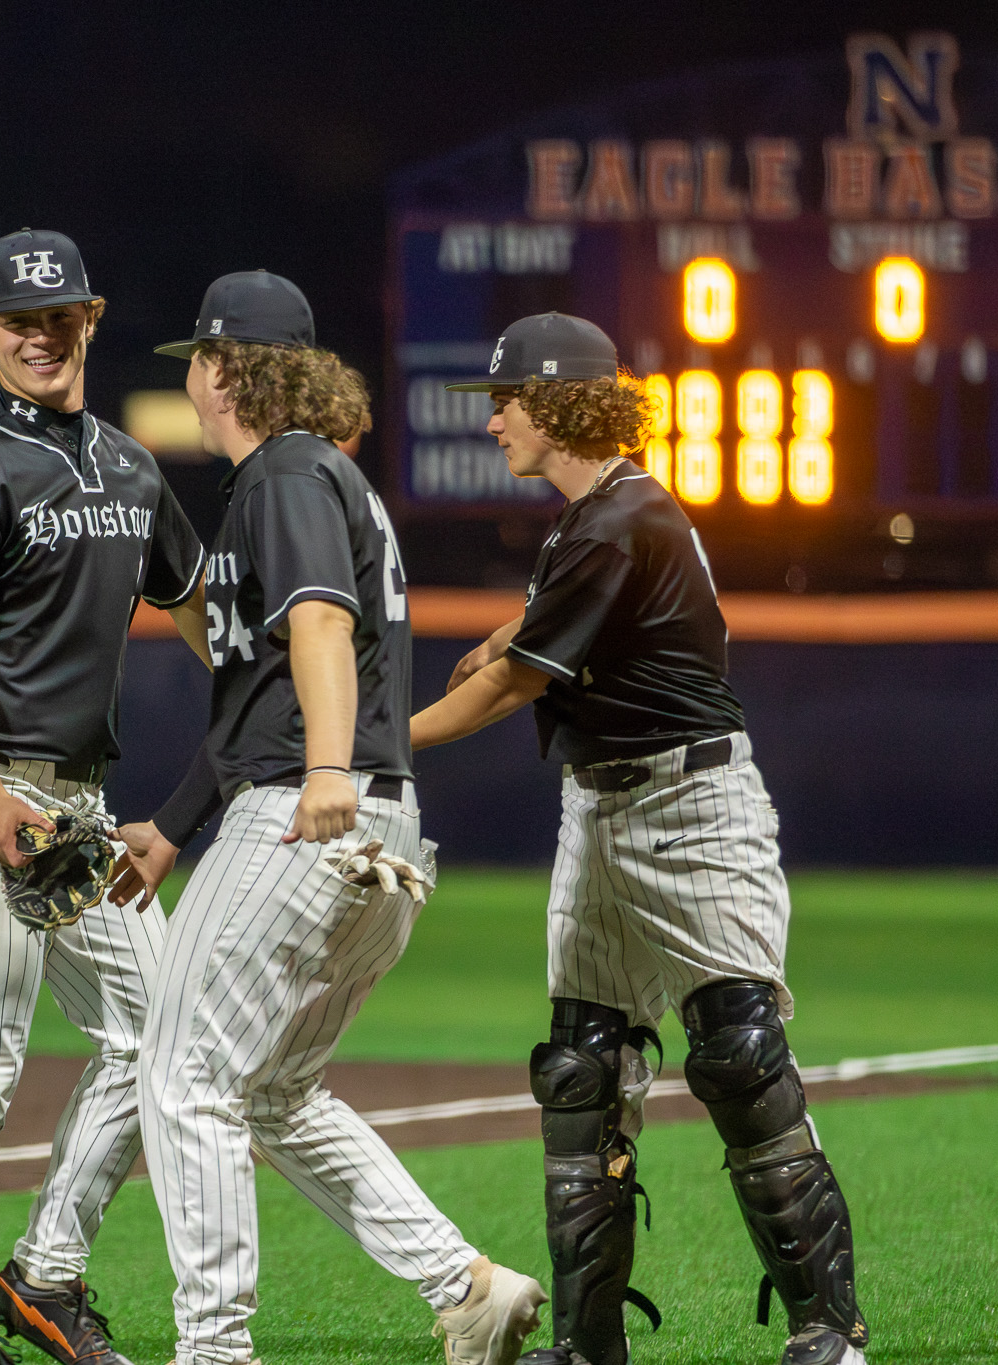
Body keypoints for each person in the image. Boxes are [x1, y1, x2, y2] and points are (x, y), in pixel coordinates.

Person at [411, 312, 869, 1365]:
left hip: (688, 809)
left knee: (740, 1057)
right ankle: (587, 1345)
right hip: (599, 806)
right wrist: (496, 640)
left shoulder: (619, 518)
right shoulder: (592, 519)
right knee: (580, 1072)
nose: (490, 422)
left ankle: (829, 1336)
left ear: (563, 403)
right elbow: (526, 641)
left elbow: (518, 678)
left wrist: (366, 743)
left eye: (504, 400)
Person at [111, 270, 548, 1365]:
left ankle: (213, 1352)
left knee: (180, 1077)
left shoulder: (285, 476)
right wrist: (171, 826)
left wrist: (319, 769)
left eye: (197, 360)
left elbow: (312, 621)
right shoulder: (319, 477)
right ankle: (465, 1287)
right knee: (273, 1091)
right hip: (371, 826)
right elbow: (256, 687)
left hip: (310, 817)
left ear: (226, 370)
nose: (193, 380)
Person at [0, 229, 209, 1365]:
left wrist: (286, 704)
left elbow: (196, 603)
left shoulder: (128, 465)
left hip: (75, 802)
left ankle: (44, 1272)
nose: (38, 332)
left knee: (164, 1037)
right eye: (15, 319)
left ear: (92, 318)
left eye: (57, 314)